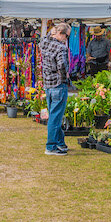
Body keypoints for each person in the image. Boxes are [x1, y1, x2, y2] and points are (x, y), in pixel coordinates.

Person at [40, 22, 71, 155]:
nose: (66, 39)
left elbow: (46, 37)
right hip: (58, 84)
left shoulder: (44, 42)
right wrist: (65, 79)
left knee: (54, 115)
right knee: (55, 117)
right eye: (66, 36)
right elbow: (62, 66)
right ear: (61, 34)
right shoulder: (61, 48)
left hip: (48, 83)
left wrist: (53, 31)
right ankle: (51, 146)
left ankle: (59, 143)